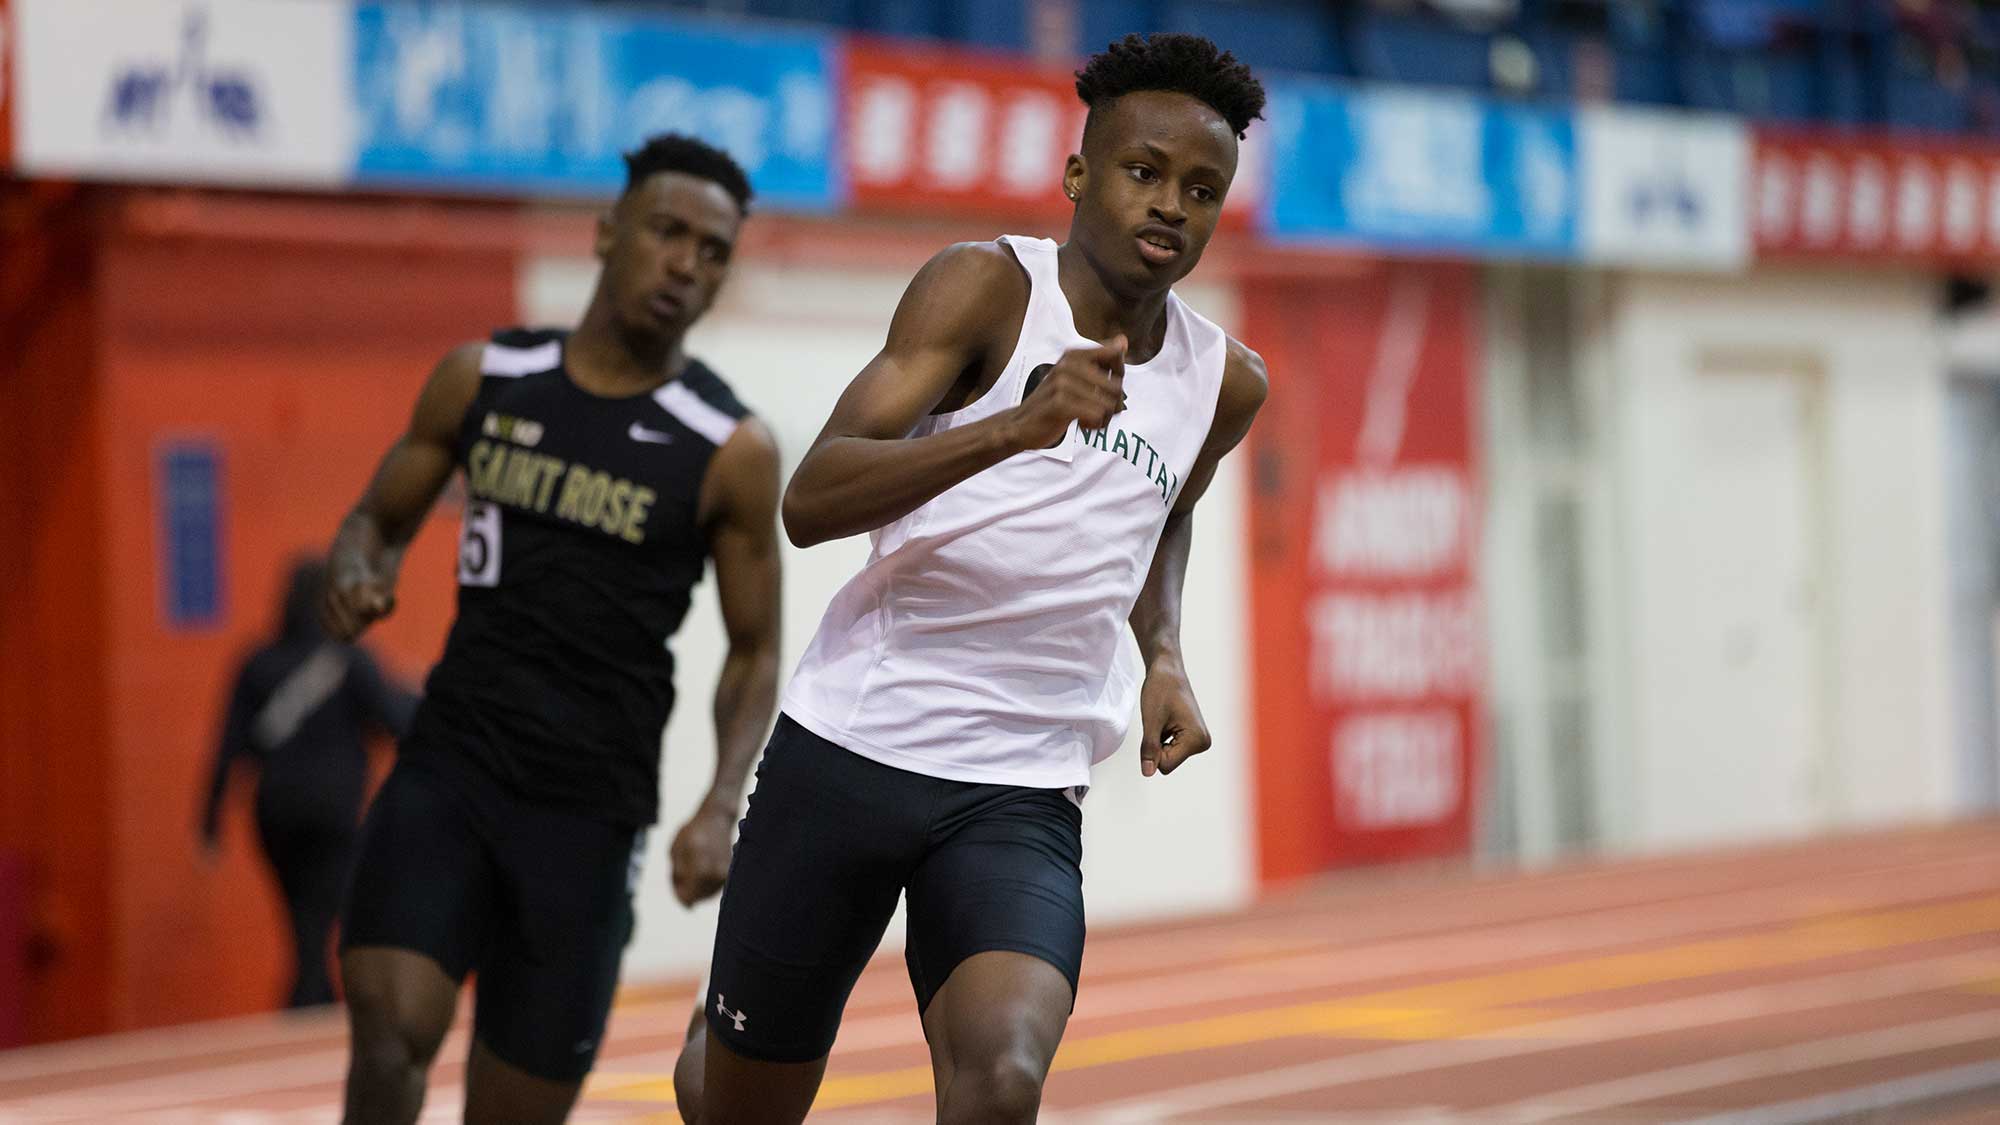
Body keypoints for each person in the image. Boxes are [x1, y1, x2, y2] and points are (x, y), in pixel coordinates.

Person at [686, 32, 1269, 1125]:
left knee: (1001, 1081)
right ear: (1078, 175)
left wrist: (1164, 654)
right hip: (854, 752)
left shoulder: (1224, 382)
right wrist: (1013, 426)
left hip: (1021, 785)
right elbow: (811, 498)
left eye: (1201, 190)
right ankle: (719, 1035)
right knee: (735, 1109)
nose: (1169, 206)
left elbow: (1166, 514)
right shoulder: (985, 290)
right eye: (1143, 172)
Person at [320, 133, 782, 1125]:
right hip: (451, 765)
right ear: (607, 233)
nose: (686, 265)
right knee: (391, 1030)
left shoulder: (728, 447)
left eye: (712, 252)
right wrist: (359, 569)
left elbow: (754, 651)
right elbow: (374, 521)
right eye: (667, 233)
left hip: (589, 809)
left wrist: (719, 804)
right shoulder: (485, 377)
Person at [199, 556, 417, 1010]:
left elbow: (229, 744)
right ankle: (310, 1000)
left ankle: (312, 996)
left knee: (306, 920)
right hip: (333, 811)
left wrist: (210, 821)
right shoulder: (348, 660)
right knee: (319, 921)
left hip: (276, 813)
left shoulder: (258, 663)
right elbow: (396, 720)